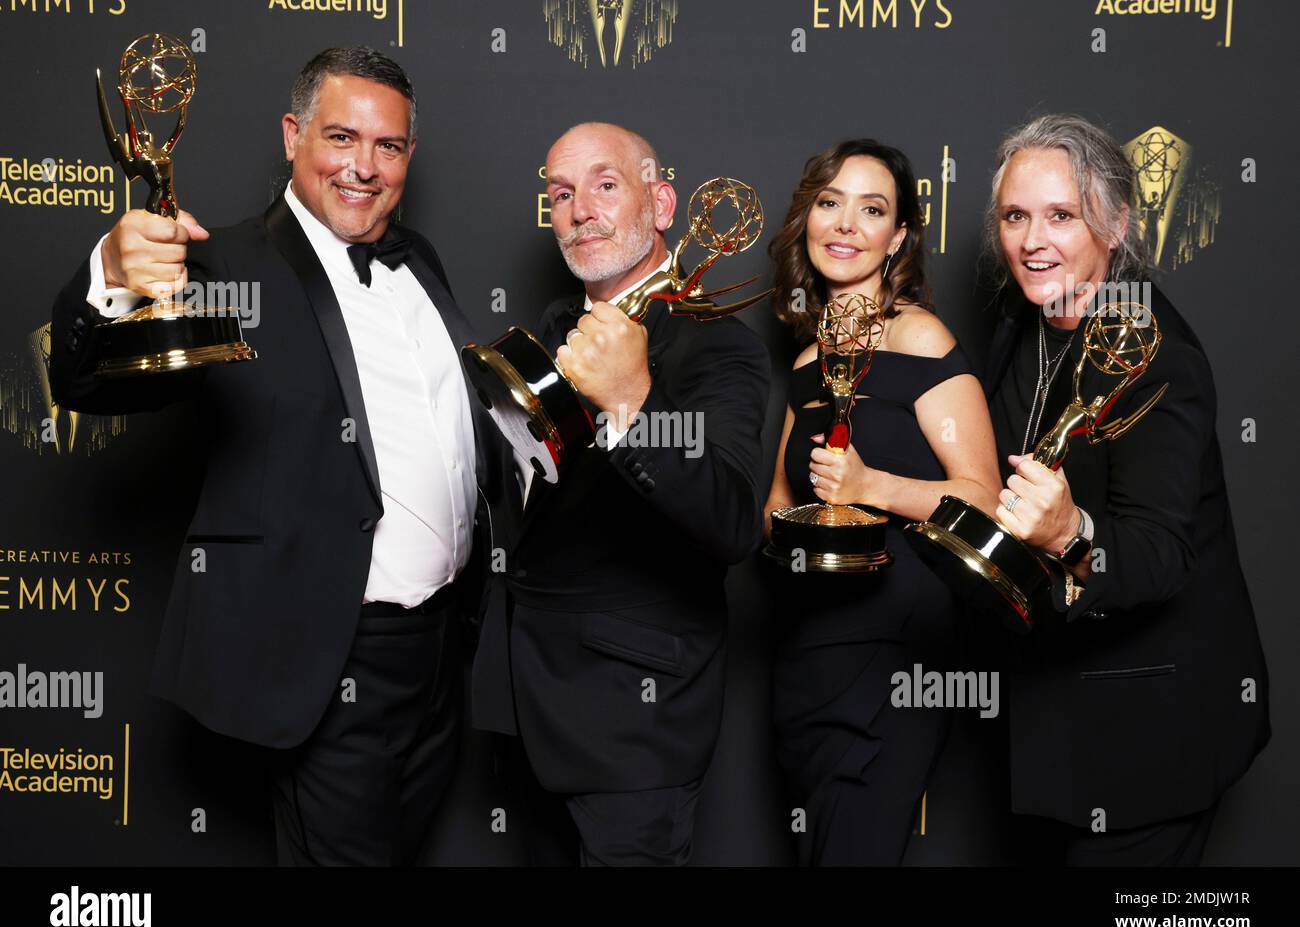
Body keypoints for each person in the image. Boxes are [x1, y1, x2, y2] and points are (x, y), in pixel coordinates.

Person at [49, 47, 508, 866]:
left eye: (390, 147)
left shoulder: (420, 260)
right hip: (326, 659)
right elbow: (82, 380)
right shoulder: (220, 266)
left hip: (439, 653)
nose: (364, 168)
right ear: (293, 135)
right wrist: (109, 277)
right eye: (341, 138)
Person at [470, 122, 770, 866]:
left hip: (636, 720)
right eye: (562, 193)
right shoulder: (552, 329)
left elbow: (733, 522)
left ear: (660, 202)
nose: (579, 210)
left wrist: (633, 404)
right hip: (526, 703)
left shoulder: (718, 343)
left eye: (605, 185)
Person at [980, 114, 1270, 865]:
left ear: (1116, 225)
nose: (1033, 240)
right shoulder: (1024, 318)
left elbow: (1161, 555)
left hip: (1150, 734)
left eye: (1061, 216)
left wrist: (1070, 534)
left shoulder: (1161, 357)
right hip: (1053, 715)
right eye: (1016, 216)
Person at [762, 140, 1001, 865]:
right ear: (807, 217)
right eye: (830, 202)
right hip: (808, 653)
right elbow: (777, 507)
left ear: (897, 237)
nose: (845, 225)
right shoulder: (806, 362)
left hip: (900, 654)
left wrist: (873, 489)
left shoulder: (921, 338)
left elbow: (983, 499)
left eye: (873, 210)